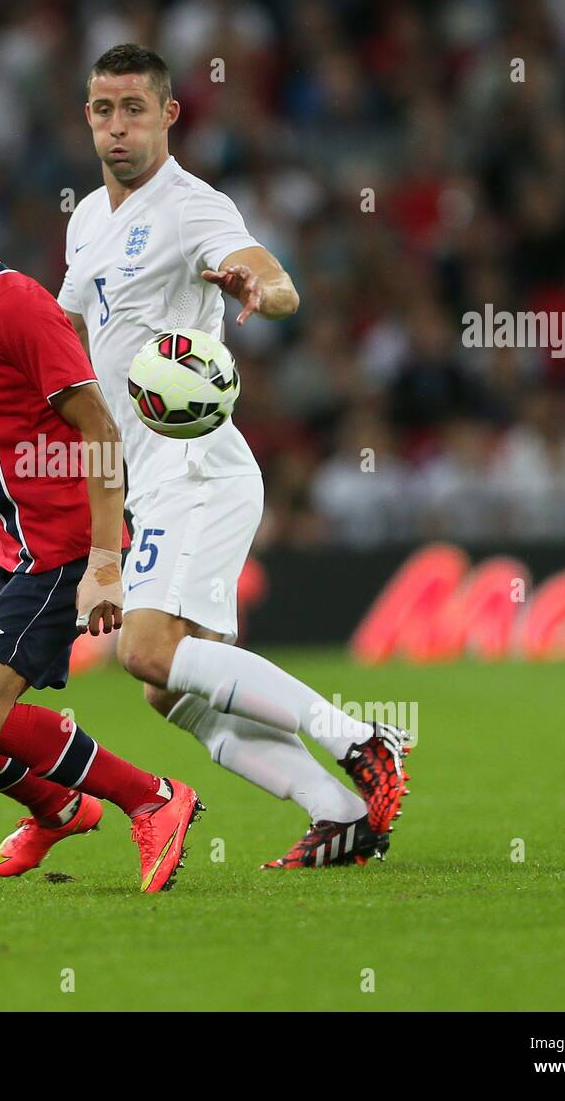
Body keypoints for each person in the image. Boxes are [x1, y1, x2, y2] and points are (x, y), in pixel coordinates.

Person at [54, 45, 409, 869]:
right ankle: (344, 814)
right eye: (104, 109)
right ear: (87, 116)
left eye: (135, 108)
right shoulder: (85, 221)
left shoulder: (191, 207)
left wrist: (261, 291)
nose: (118, 126)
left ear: (170, 115)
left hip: (199, 468)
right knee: (167, 688)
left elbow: (272, 276)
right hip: (151, 480)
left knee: (146, 649)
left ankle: (361, 739)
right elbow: (70, 334)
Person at [0, 155, 203, 893]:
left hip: (58, 550)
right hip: (0, 550)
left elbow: (101, 430)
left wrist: (105, 561)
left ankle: (152, 797)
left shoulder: (15, 303)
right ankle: (55, 807)